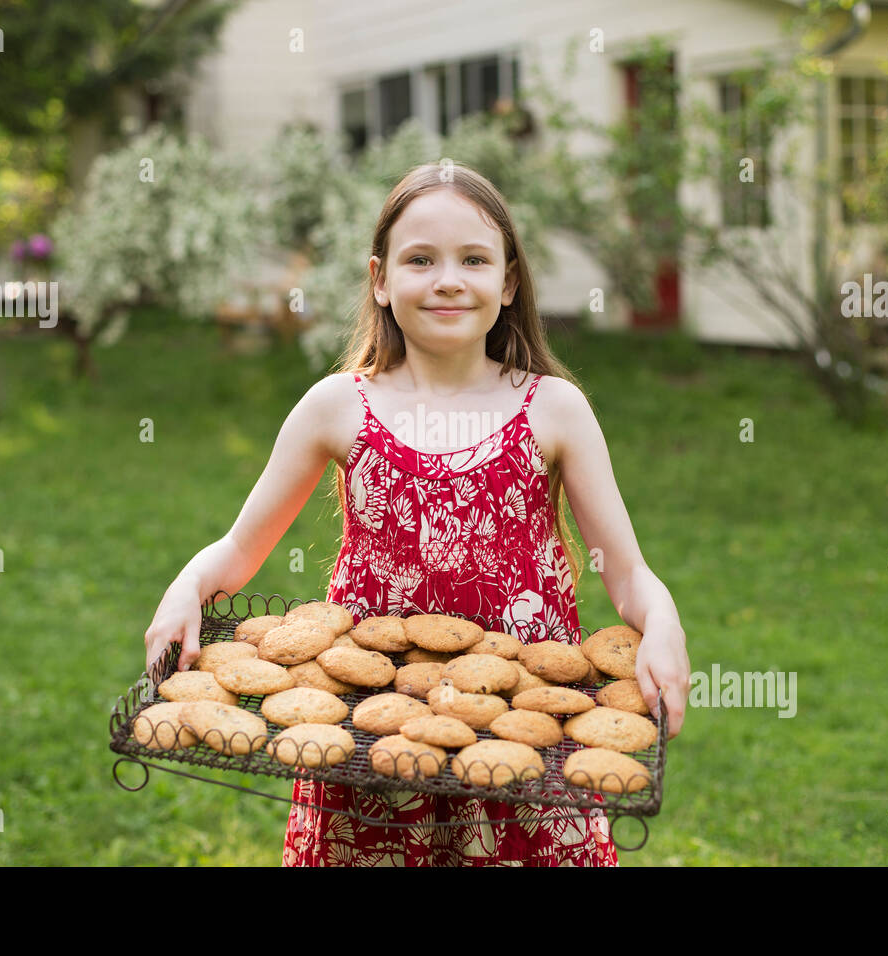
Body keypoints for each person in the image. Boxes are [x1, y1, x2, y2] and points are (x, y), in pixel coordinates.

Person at [143, 161, 690, 866]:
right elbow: (240, 547)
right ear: (380, 278)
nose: (448, 279)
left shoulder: (554, 409)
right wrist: (186, 589)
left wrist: (664, 624)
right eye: (420, 260)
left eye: (474, 259)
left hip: (520, 750)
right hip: (372, 759)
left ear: (509, 281)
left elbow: (628, 574)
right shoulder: (337, 407)